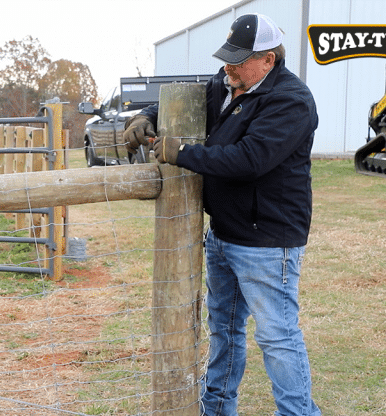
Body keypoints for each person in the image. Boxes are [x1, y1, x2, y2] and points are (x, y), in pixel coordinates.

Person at [124, 13, 321, 416]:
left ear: (268, 60)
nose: (228, 66)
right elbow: (190, 96)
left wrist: (181, 153)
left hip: (267, 240)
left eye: (239, 59)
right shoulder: (229, 83)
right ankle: (215, 409)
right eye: (228, 57)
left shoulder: (290, 101)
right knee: (224, 330)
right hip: (225, 234)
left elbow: (250, 160)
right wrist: (147, 115)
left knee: (277, 335)